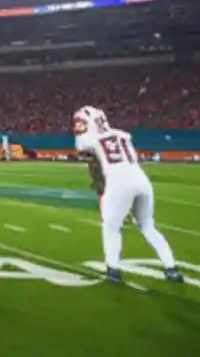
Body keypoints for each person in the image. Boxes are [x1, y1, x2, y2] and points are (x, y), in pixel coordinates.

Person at [74, 106, 183, 284]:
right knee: (148, 226)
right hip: (141, 180)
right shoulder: (123, 134)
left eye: (82, 122)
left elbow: (81, 146)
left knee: (111, 227)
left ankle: (113, 269)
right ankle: (171, 269)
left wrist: (82, 132)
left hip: (118, 183)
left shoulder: (88, 139)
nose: (79, 126)